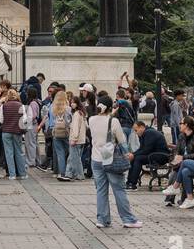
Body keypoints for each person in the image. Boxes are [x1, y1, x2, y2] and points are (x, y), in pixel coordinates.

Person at [88, 96, 141, 229]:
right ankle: (128, 219)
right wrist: (127, 153)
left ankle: (102, 219)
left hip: (96, 158)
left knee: (101, 190)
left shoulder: (91, 119)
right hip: (111, 159)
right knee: (119, 189)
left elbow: (103, 120)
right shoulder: (114, 121)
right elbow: (121, 140)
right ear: (111, 108)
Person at [124, 120, 170, 190]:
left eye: (136, 130)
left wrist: (134, 155)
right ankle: (129, 182)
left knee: (138, 159)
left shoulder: (149, 132)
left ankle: (133, 183)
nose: (136, 133)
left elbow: (146, 149)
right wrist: (133, 154)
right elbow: (142, 148)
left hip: (161, 156)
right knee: (135, 158)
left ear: (142, 127)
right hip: (154, 155)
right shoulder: (144, 133)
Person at [66, 92, 87, 180]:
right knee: (73, 158)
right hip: (81, 139)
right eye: (71, 102)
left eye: (73, 102)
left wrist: (74, 139)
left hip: (76, 139)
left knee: (74, 158)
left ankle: (78, 174)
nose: (72, 104)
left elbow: (75, 128)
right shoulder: (82, 113)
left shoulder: (76, 114)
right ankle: (69, 173)